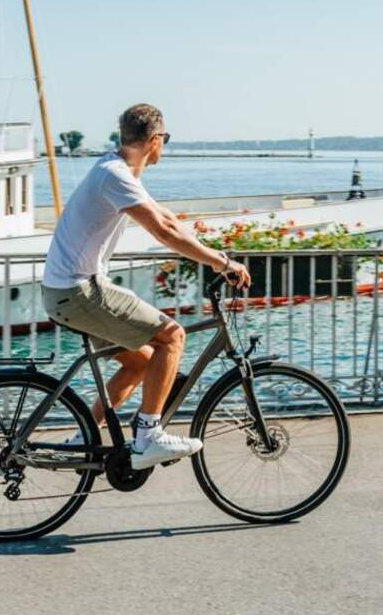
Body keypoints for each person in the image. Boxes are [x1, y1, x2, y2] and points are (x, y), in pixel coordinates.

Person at [40, 103, 251, 468]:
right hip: (79, 290)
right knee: (172, 336)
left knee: (143, 361)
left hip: (68, 290)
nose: (163, 146)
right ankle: (148, 437)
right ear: (155, 140)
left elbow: (166, 218)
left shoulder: (116, 171)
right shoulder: (115, 175)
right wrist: (223, 264)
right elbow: (162, 232)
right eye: (165, 139)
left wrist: (215, 254)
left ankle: (85, 436)